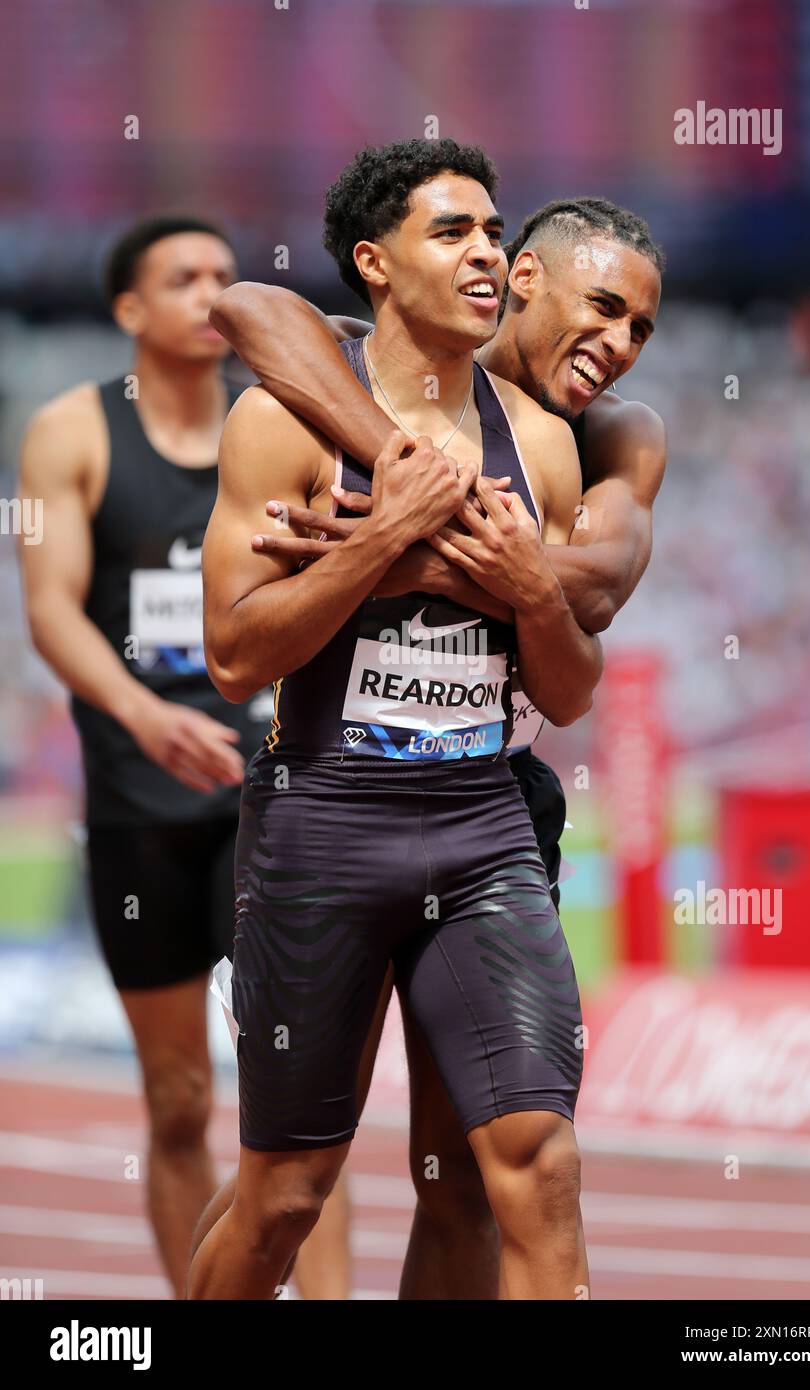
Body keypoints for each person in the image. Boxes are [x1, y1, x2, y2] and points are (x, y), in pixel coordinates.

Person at [192, 189, 665, 1298]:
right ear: (525, 281)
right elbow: (251, 307)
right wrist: (416, 493)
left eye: (642, 328)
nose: (620, 347)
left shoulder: (599, 435)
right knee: (288, 1188)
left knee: (489, 1173)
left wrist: (424, 539)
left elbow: (595, 585)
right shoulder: (352, 364)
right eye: (604, 308)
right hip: (325, 810)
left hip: (494, 800)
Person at [16, 215, 351, 1300]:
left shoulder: (284, 423)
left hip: (279, 798)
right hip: (138, 802)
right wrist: (139, 711)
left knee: (298, 1097)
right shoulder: (72, 433)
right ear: (129, 310)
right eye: (185, 276)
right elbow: (52, 611)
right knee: (178, 1100)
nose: (215, 292)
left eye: (226, 274)